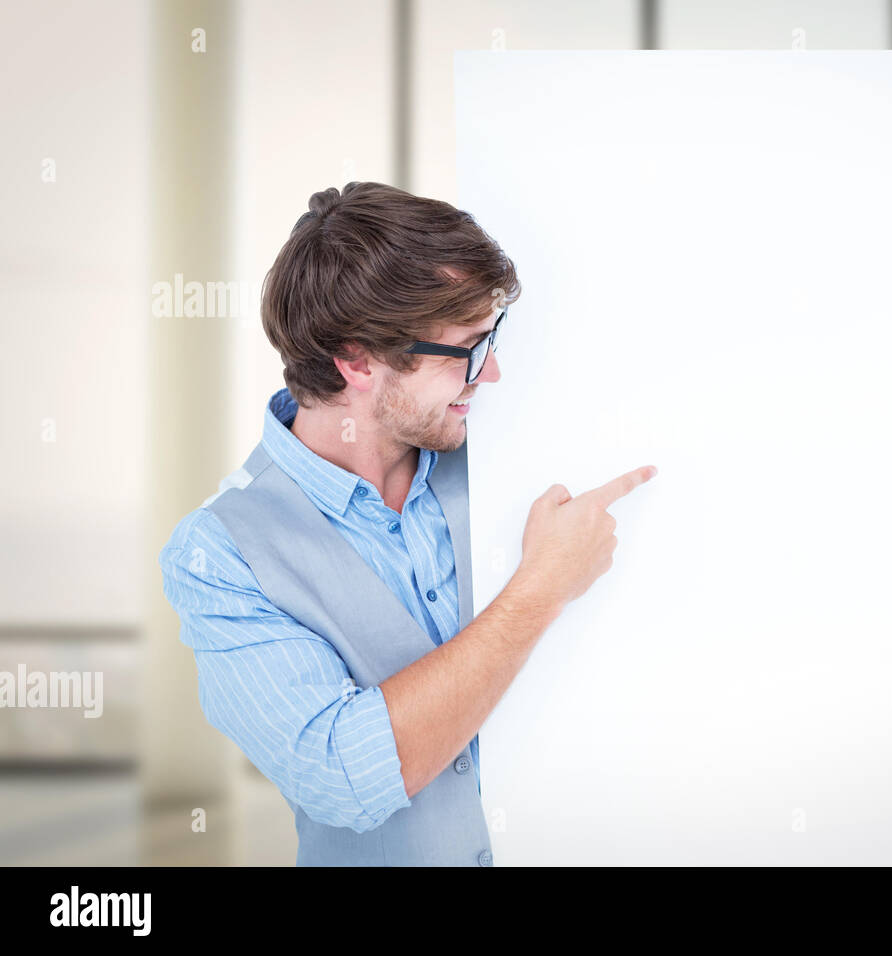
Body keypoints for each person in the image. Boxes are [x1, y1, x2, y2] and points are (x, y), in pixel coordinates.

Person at [158, 182, 656, 866]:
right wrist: (542, 588)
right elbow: (339, 773)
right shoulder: (219, 556)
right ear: (358, 362)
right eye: (469, 349)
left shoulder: (501, 457)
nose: (495, 372)